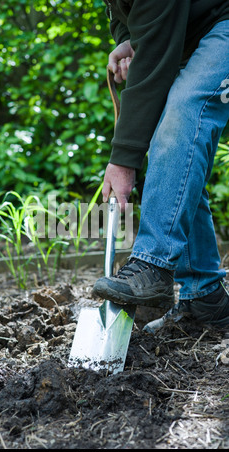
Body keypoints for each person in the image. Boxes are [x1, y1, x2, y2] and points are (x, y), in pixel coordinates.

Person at [92, 0, 229, 329]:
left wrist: (124, 160)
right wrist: (126, 38)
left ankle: (153, 262)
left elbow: (153, 57)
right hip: (195, 34)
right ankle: (205, 298)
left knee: (185, 107)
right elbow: (122, 11)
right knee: (172, 149)